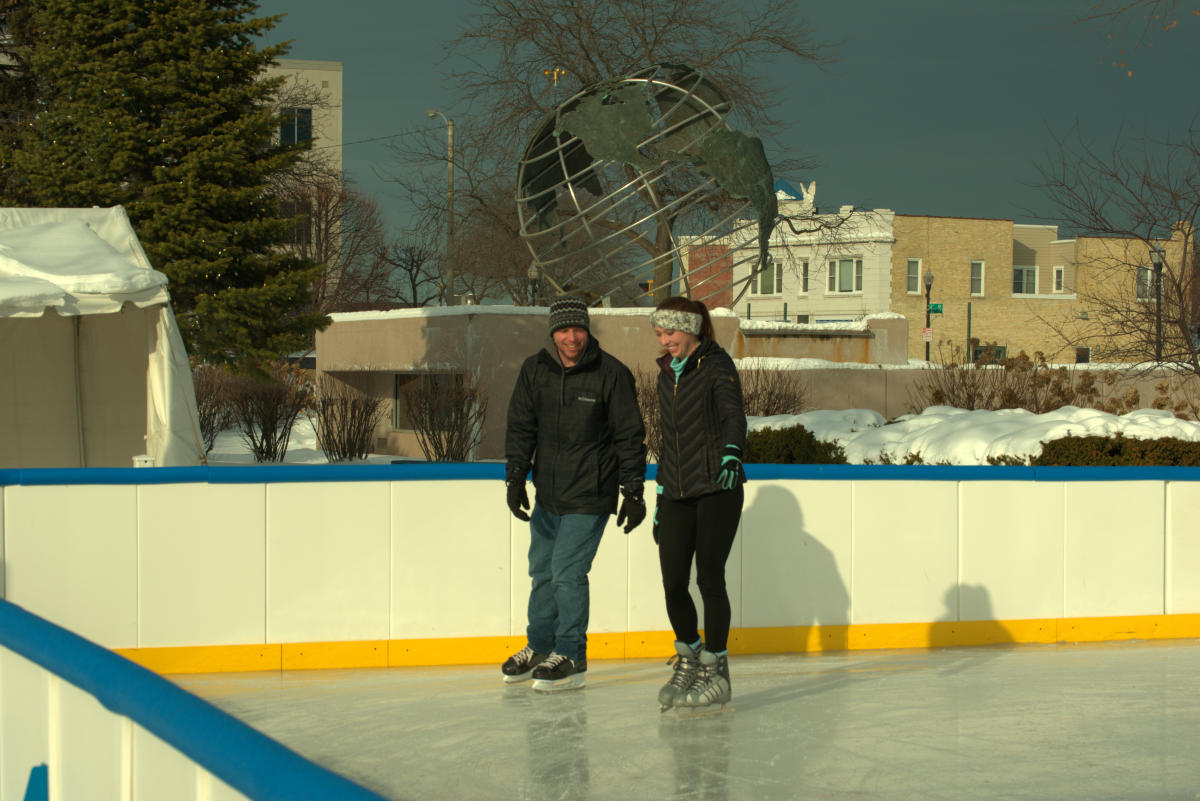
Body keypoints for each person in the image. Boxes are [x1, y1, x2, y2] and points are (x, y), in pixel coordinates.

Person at [502, 295, 647, 692]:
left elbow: (629, 435)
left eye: (578, 329)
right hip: (548, 493)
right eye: (564, 330)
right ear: (553, 333)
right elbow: (520, 427)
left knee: (567, 573)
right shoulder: (536, 370)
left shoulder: (610, 373)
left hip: (591, 493)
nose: (572, 337)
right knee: (542, 572)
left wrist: (632, 490)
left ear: (587, 331)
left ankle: (571, 652)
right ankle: (540, 645)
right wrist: (516, 478)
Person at [650, 296, 746, 711]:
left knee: (709, 578)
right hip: (676, 488)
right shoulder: (663, 375)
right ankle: (689, 657)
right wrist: (658, 493)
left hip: (717, 486)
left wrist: (732, 452)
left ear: (689, 328)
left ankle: (716, 667)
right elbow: (667, 439)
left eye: (669, 331)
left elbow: (733, 415)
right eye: (659, 333)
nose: (664, 339)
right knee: (673, 582)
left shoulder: (717, 365)